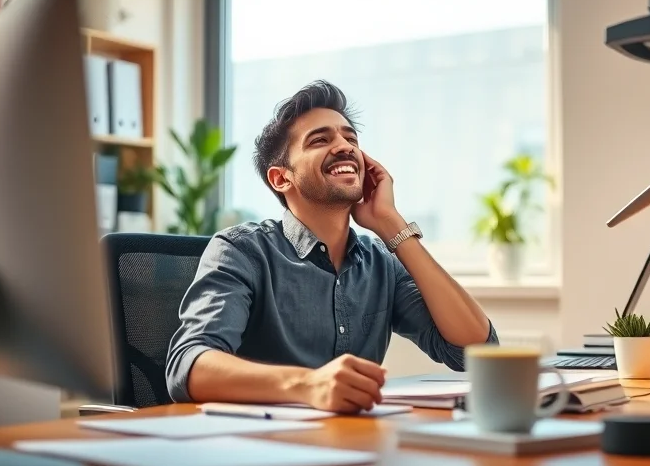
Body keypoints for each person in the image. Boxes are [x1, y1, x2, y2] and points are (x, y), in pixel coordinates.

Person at [165, 80, 499, 413]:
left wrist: (391, 223)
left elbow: (476, 350)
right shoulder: (242, 251)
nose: (345, 146)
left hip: (353, 445)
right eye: (320, 140)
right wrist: (307, 385)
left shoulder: (380, 261)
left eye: (350, 138)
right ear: (282, 178)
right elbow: (189, 365)